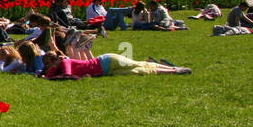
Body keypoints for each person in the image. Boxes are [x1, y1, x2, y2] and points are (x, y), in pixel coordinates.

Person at [42, 49, 192, 79]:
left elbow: (67, 76)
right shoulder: (59, 65)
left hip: (108, 61)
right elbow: (48, 75)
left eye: (49, 64)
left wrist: (50, 75)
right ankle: (174, 71)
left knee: (140, 66)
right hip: (108, 71)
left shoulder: (65, 62)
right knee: (139, 70)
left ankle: (174, 69)